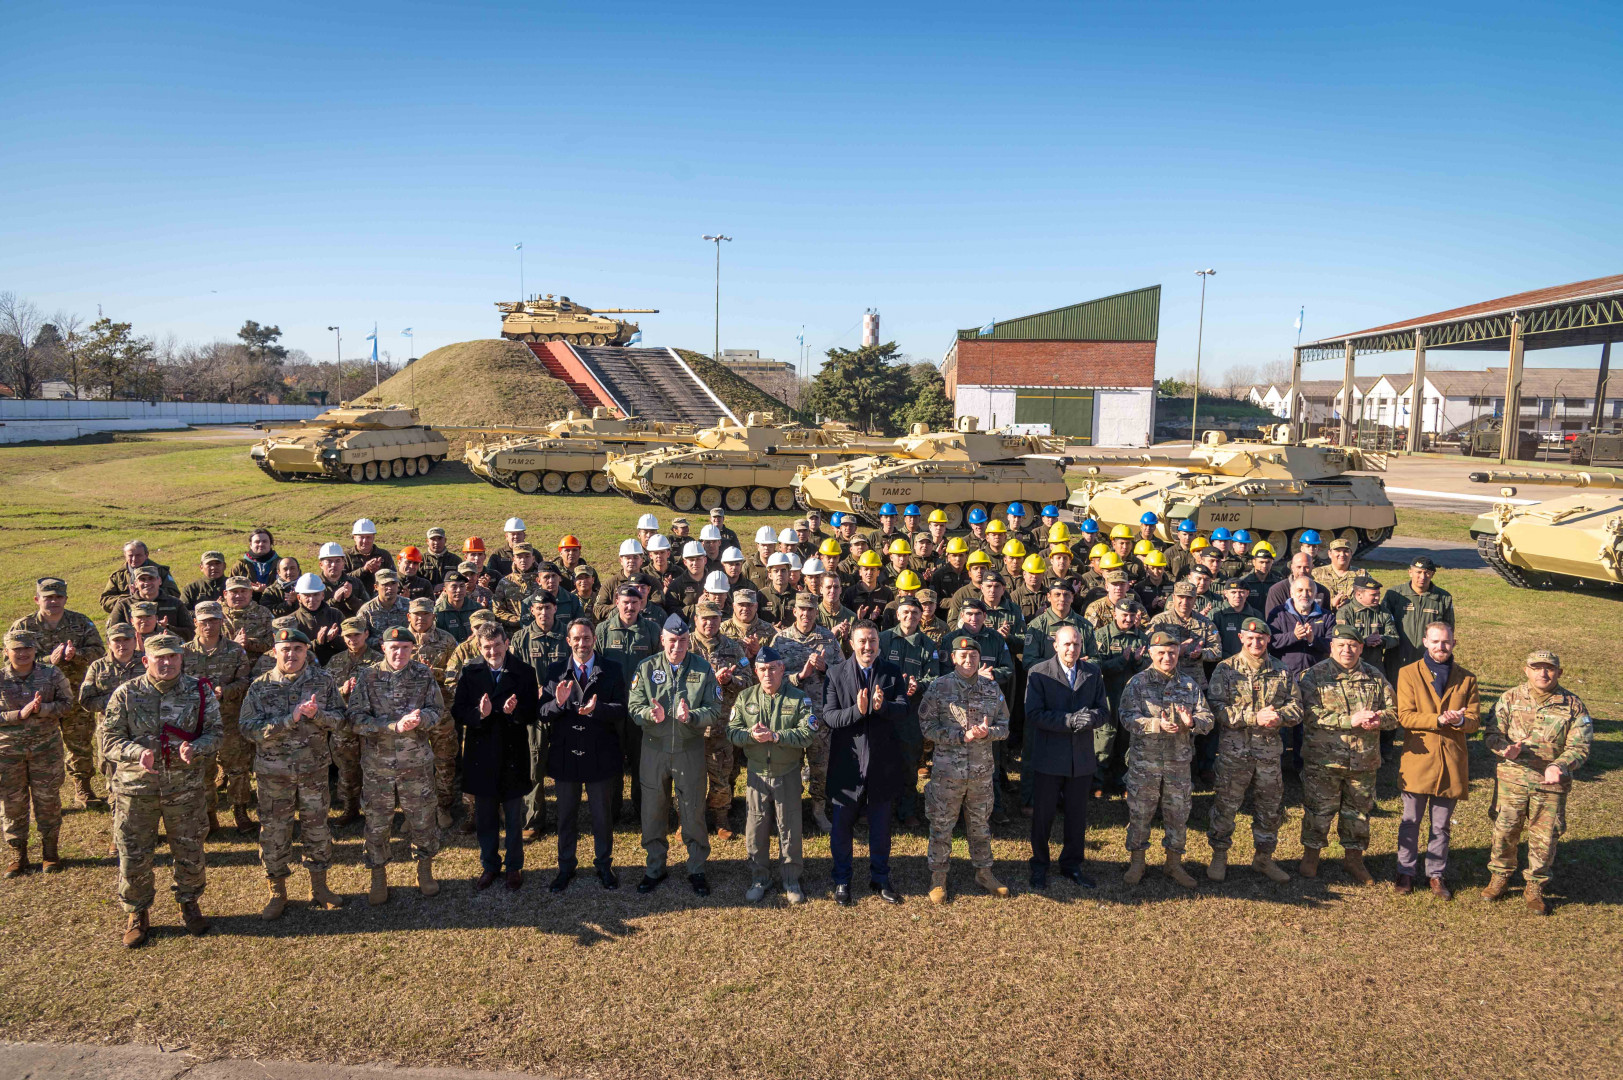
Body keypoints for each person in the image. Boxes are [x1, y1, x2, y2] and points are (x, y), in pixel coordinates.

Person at [99, 633, 221, 947]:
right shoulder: (126, 694)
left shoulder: (199, 691)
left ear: (182, 658)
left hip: (184, 789)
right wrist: (136, 753)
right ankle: (137, 913)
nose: (166, 663)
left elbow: (215, 734)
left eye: (172, 657)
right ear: (145, 661)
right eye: (159, 658)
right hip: (136, 789)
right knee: (134, 853)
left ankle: (189, 903)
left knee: (190, 849)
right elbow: (108, 740)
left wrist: (197, 748)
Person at [238, 626, 347, 919]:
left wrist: (318, 715)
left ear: (306, 652)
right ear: (275, 652)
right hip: (274, 774)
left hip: (313, 770)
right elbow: (247, 729)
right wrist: (290, 719)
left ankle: (319, 887)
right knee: (275, 831)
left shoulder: (323, 681)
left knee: (317, 828)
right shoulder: (260, 686)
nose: (292, 654)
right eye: (285, 649)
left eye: (298, 649)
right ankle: (277, 892)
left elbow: (340, 720)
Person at [1482, 649, 1593, 915]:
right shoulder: (1509, 698)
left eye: (1549, 668)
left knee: (1544, 836)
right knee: (1505, 830)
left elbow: (1581, 745)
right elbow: (1491, 733)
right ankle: (1500, 876)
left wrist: (1560, 765)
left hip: (1551, 784)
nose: (1543, 673)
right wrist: (1503, 748)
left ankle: (1535, 885)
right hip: (1513, 779)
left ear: (1559, 672)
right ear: (1526, 670)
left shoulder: (1573, 705)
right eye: (1537, 668)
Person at [347, 626, 448, 905]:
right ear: (383, 648)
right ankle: (378, 875)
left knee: (423, 819)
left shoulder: (423, 674)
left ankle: (424, 871)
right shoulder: (368, 676)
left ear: (412, 649)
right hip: (378, 765)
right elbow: (355, 719)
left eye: (405, 647)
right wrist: (392, 726)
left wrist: (421, 720)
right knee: (377, 822)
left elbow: (437, 710)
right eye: (394, 647)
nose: (399, 653)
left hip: (415, 762)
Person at [628, 613, 721, 895]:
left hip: (688, 750)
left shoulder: (703, 669)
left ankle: (696, 868)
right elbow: (633, 706)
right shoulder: (646, 668)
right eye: (671, 641)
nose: (676, 647)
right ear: (662, 640)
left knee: (692, 811)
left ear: (688, 641)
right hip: (654, 751)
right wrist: (648, 713)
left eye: (682, 641)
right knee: (653, 811)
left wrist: (691, 716)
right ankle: (654, 867)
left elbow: (715, 710)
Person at [1296, 626, 1397, 884]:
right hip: (1324, 760)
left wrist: (1379, 719)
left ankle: (1354, 859)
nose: (1346, 650)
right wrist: (1349, 720)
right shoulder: (1314, 676)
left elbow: (1395, 713)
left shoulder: (1375, 677)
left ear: (1362, 648)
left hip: (1363, 760)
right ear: (1331, 647)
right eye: (1341, 645)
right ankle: (1311, 856)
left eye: (1352, 646)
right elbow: (1309, 713)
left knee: (1359, 813)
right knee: (1318, 811)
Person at [1204, 618, 1302, 883]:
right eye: (1250, 638)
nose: (1255, 642)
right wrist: (1252, 717)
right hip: (1234, 754)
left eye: (1261, 638)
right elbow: (1215, 708)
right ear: (1242, 639)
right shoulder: (1225, 669)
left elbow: (1297, 707)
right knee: (1226, 806)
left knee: (1270, 809)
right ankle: (1219, 855)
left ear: (1268, 640)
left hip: (1269, 754)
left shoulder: (1281, 670)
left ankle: (1263, 858)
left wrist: (1280, 717)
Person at [916, 634, 1010, 904]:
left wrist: (987, 732)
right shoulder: (939, 687)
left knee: (980, 824)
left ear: (980, 659)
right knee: (941, 825)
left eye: (974, 656)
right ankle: (938, 877)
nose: (968, 660)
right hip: (947, 773)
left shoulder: (991, 689)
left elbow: (1004, 727)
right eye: (963, 655)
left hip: (981, 773)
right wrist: (960, 736)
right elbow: (927, 726)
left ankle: (984, 872)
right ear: (954, 658)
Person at [1117, 629, 1213, 888]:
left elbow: (1208, 718)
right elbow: (1126, 717)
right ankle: (1137, 861)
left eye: (1172, 652)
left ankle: (1174, 864)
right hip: (1144, 762)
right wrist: (1154, 724)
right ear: (1151, 653)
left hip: (1178, 763)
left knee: (1178, 813)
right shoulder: (1137, 683)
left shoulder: (1190, 685)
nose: (1167, 657)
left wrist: (1192, 722)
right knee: (1140, 812)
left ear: (1178, 653)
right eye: (1161, 653)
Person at [821, 621, 907, 906]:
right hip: (847, 765)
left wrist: (884, 708)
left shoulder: (892, 673)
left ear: (879, 644)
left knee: (881, 828)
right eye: (862, 641)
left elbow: (903, 710)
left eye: (872, 641)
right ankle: (842, 880)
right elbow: (830, 717)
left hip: (882, 764)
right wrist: (857, 711)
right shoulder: (835, 675)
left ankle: (880, 878)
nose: (867, 647)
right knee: (841, 828)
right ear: (852, 644)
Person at [1393, 622, 1479, 899]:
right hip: (1419, 759)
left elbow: (1475, 721)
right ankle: (1405, 871)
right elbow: (1404, 716)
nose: (1441, 647)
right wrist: (1438, 719)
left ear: (1454, 643)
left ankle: (1436, 875)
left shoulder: (1467, 678)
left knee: (1441, 825)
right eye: (1435, 641)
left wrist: (1461, 719)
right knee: (1410, 820)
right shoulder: (1408, 673)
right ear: (1425, 642)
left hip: (1450, 761)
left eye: (1446, 642)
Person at [540, 618, 627, 891]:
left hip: (600, 755)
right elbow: (542, 713)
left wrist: (597, 709)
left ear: (594, 639)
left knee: (602, 816)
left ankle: (604, 866)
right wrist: (558, 702)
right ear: (569, 641)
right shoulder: (555, 671)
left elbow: (622, 709)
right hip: (567, 756)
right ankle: (566, 867)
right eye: (576, 639)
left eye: (586, 638)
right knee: (566, 816)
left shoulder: (612, 669)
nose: (581, 643)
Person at [453, 623, 540, 891]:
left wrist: (514, 711)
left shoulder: (524, 672)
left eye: (497, 645)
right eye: (487, 647)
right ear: (480, 647)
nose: (493, 651)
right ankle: (490, 865)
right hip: (482, 755)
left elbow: (533, 713)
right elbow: (458, 711)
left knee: (514, 819)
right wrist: (480, 714)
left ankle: (514, 867)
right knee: (486, 818)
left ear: (506, 643)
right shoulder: (470, 672)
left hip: (513, 753)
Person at [1023, 624, 1108, 890]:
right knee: (1043, 816)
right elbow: (1033, 714)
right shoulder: (1038, 673)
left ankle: (1072, 865)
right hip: (1049, 757)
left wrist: (1091, 718)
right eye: (1067, 644)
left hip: (1080, 758)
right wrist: (1067, 720)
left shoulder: (1093, 673)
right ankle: (1039, 865)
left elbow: (1103, 711)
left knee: (1076, 816)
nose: (1072, 649)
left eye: (1077, 644)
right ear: (1055, 646)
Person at [727, 646, 815, 903]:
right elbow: (732, 731)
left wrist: (776, 736)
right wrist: (750, 736)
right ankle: (760, 877)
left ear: (782, 670)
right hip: (756, 774)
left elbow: (808, 733)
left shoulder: (798, 698)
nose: (768, 674)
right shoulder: (745, 698)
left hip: (787, 773)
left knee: (789, 827)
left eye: (773, 669)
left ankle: (791, 879)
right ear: (756, 671)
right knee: (755, 828)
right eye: (763, 669)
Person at [10, 576, 106, 809]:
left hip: (73, 696)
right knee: (39, 748)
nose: (53, 601)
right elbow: (9, 660)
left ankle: (82, 787)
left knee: (80, 743)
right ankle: (43, 798)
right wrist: (45, 660)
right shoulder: (23, 627)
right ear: (37, 599)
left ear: (65, 598)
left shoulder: (80, 622)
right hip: (36, 700)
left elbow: (100, 652)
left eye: (58, 597)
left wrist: (77, 655)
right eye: (48, 597)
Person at [1, 629, 76, 877]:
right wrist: (18, 715)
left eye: (27, 648)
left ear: (35, 650)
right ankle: (17, 855)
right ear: (6, 652)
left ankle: (50, 853)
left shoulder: (52, 674)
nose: (22, 653)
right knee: (12, 805)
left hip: (46, 750)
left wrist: (43, 709)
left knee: (48, 801)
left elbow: (68, 704)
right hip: (8, 753)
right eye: (16, 649)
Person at [181, 601, 253, 835]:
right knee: (204, 771)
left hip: (229, 719)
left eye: (214, 620)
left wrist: (226, 691)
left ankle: (240, 811)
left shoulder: (235, 651)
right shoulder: (183, 653)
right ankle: (210, 815)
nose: (209, 626)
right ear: (195, 623)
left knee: (238, 768)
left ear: (222, 622)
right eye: (204, 621)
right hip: (198, 725)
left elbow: (245, 681)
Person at [595, 584, 662, 822]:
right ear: (616, 602)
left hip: (641, 709)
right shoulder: (603, 630)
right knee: (612, 762)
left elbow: (660, 667)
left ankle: (642, 810)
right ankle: (611, 812)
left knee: (641, 762)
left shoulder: (652, 630)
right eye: (625, 602)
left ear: (641, 604)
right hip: (612, 708)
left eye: (635, 603)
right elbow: (596, 668)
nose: (630, 607)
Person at [878, 596, 939, 829]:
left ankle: (907, 810)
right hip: (884, 708)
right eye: (905, 612)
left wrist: (919, 686)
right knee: (879, 760)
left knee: (909, 762)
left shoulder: (927, 645)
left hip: (911, 712)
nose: (910, 617)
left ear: (921, 615)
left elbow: (934, 676)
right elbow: (872, 668)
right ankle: (879, 809)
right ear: (897, 614)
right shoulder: (883, 639)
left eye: (915, 613)